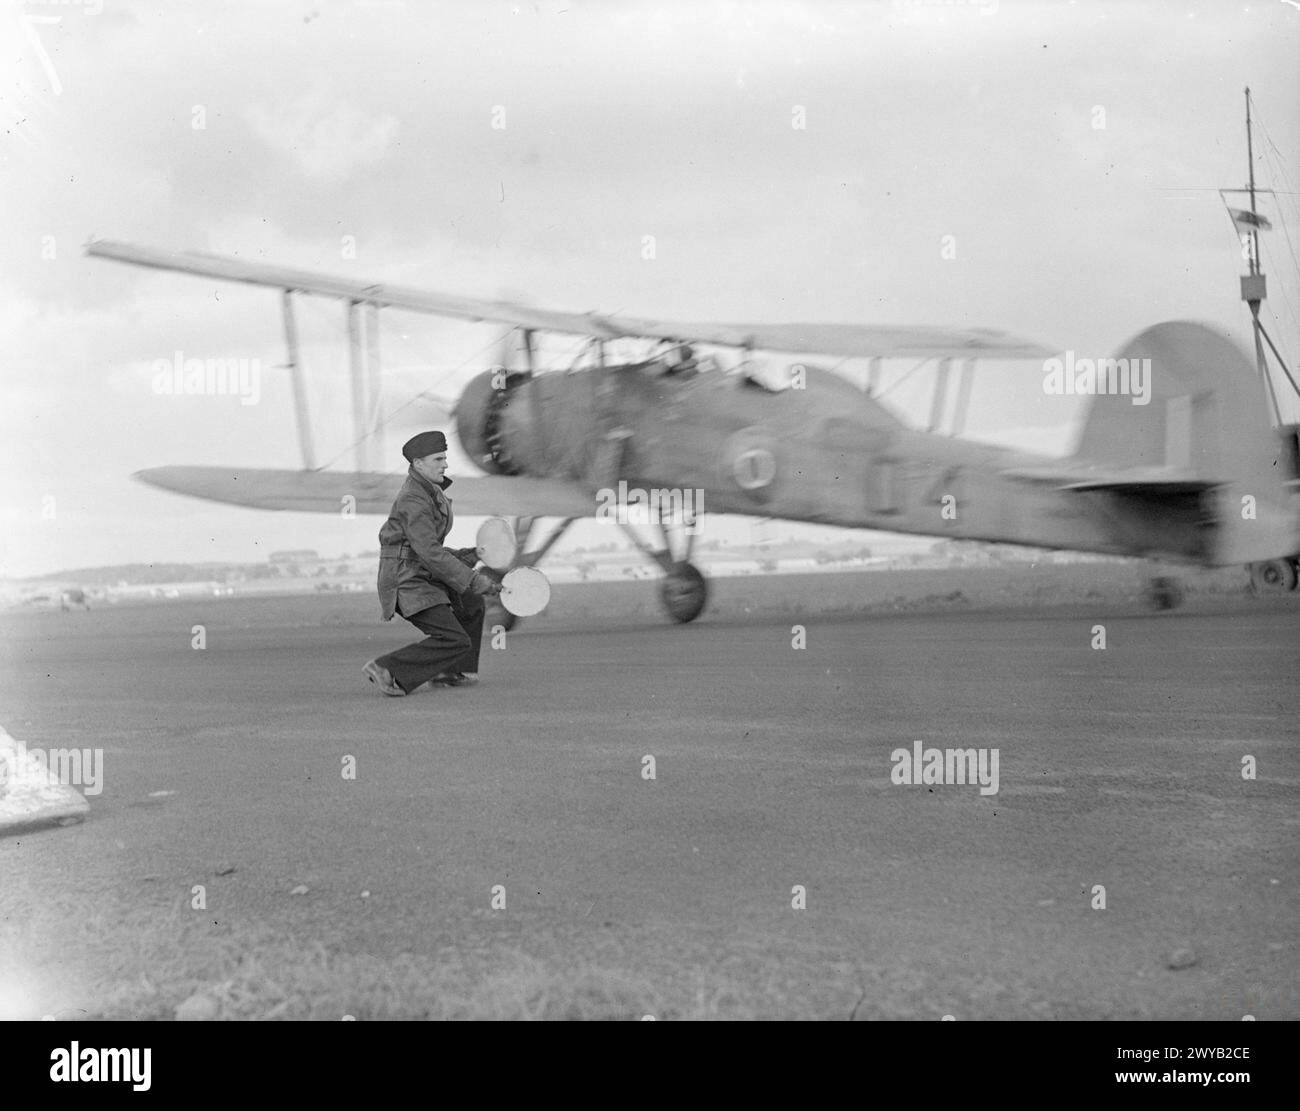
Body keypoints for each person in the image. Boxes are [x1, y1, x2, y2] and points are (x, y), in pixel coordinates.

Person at [363, 431, 501, 697]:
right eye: (438, 459)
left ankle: (451, 672)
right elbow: (428, 552)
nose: (445, 464)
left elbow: (429, 549)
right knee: (454, 639)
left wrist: (472, 554)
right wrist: (475, 578)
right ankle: (386, 669)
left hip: (422, 573)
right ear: (418, 464)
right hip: (407, 580)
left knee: (471, 604)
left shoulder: (429, 491)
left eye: (445, 458)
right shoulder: (413, 500)